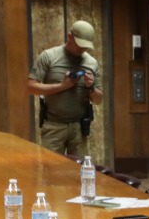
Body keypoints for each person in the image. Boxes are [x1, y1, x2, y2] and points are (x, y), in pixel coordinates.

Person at [28, 20, 102, 156]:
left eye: (86, 47)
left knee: (79, 172)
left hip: (79, 128)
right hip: (54, 126)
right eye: (80, 45)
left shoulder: (91, 63)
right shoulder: (49, 56)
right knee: (51, 170)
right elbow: (31, 87)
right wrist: (63, 86)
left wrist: (90, 87)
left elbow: (98, 100)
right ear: (70, 37)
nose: (82, 50)